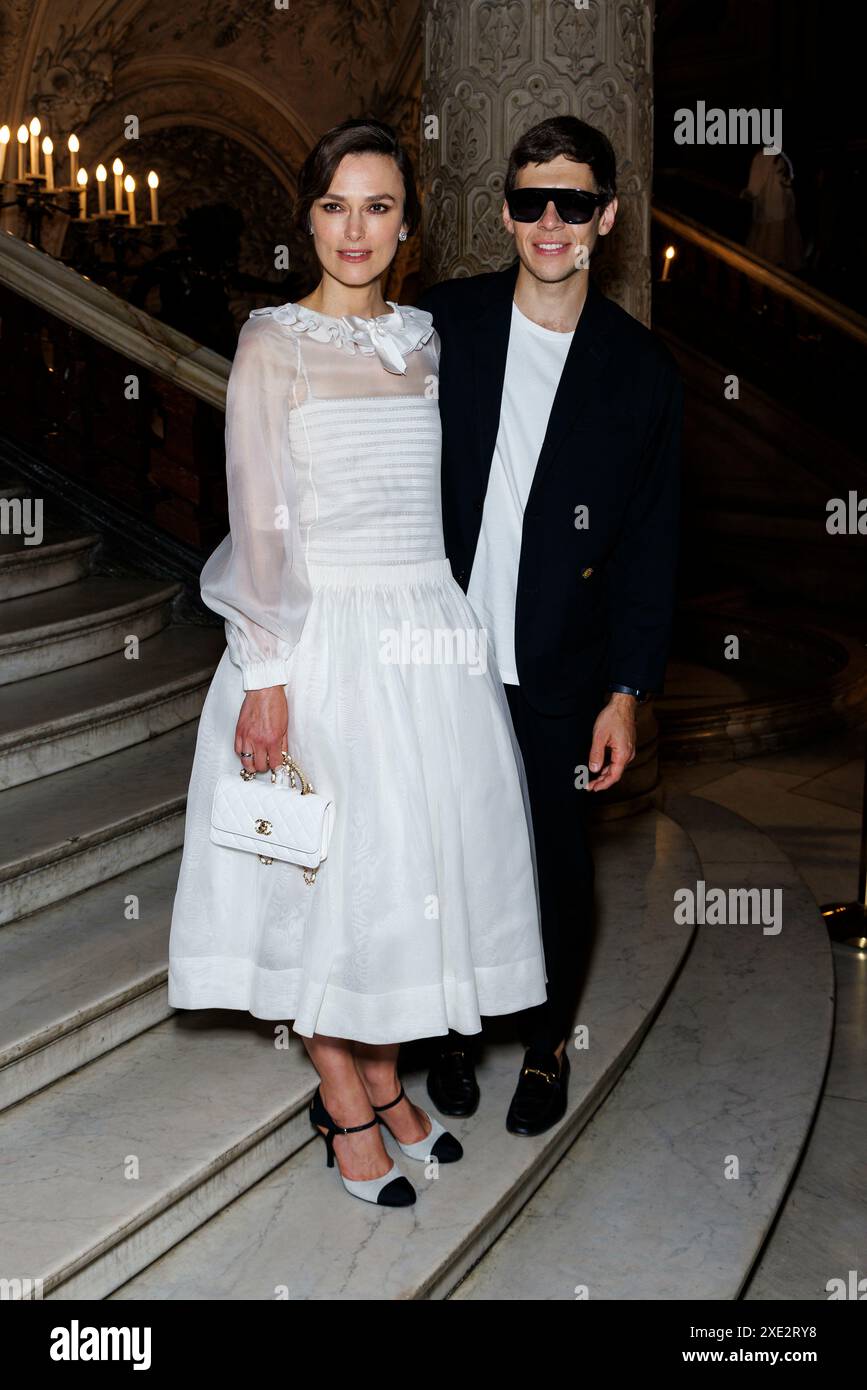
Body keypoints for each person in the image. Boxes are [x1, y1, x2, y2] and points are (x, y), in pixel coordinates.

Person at [167, 119, 548, 1207]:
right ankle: (344, 1100)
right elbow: (260, 518)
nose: (356, 229)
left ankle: (384, 1080)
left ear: (408, 226)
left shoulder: (428, 341)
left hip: (427, 636)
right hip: (317, 637)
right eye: (336, 205)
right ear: (309, 217)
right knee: (325, 880)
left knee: (397, 882)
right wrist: (268, 670)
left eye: (378, 207)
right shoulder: (270, 342)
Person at [419, 115, 683, 1136]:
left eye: (573, 203)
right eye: (532, 201)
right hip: (438, 651)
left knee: (554, 860)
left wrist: (628, 691)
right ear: (507, 212)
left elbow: (651, 543)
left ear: (605, 217)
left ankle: (545, 1043)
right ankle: (447, 1027)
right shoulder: (447, 323)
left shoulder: (640, 371)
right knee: (445, 850)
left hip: (558, 664)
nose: (551, 222)